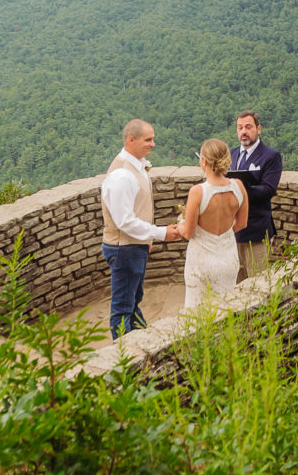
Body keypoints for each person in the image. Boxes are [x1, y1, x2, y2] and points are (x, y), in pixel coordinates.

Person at [98, 120, 166, 338]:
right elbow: (124, 222)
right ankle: (125, 358)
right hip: (123, 250)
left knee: (133, 299)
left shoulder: (137, 166)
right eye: (148, 139)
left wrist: (146, 241)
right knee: (122, 308)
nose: (153, 144)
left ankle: (142, 341)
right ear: (131, 140)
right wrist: (162, 233)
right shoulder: (122, 175)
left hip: (134, 247)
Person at [175, 137, 245, 309]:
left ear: (203, 161)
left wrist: (180, 225)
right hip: (229, 260)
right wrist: (223, 237)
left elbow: (189, 233)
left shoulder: (198, 192)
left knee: (197, 314)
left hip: (202, 263)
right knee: (226, 308)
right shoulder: (238, 186)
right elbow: (242, 223)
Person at [229, 110, 282, 279]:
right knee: (234, 281)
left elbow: (268, 189)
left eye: (248, 127)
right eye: (240, 128)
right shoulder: (231, 154)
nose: (244, 131)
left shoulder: (271, 156)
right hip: (232, 230)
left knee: (257, 281)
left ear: (258, 129)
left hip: (256, 231)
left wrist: (238, 188)